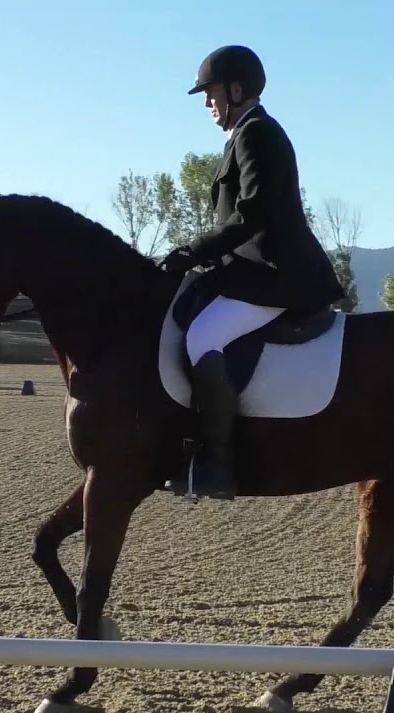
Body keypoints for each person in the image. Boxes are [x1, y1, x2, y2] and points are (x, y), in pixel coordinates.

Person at [158, 45, 345, 501]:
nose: (207, 102)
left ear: (236, 89)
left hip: (277, 275)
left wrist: (193, 250)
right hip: (253, 271)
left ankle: (219, 461)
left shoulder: (255, 133)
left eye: (210, 93)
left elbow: (252, 214)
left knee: (203, 337)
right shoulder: (247, 134)